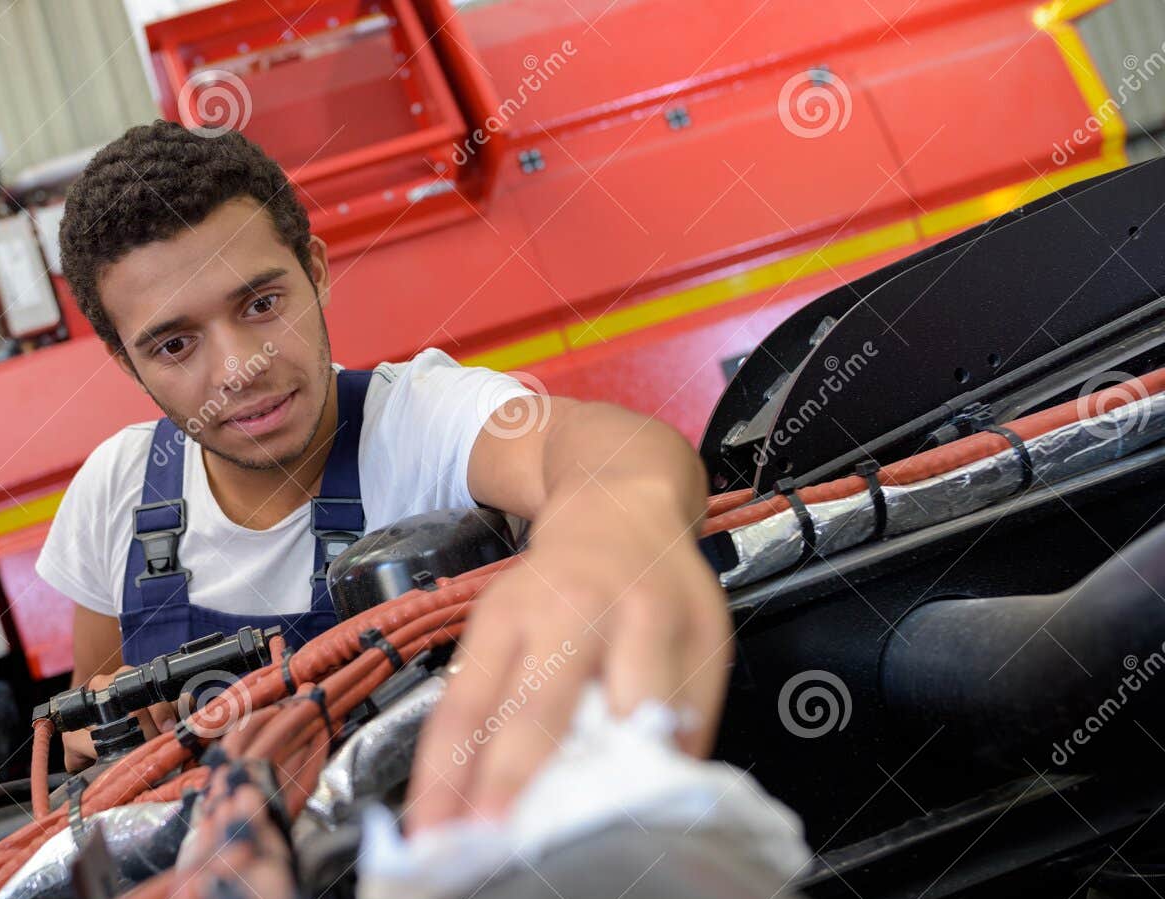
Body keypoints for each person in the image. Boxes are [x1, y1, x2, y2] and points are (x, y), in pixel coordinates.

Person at [36, 121, 731, 830]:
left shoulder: (416, 422)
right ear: (127, 362)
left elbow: (601, 448)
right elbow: (89, 718)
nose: (239, 367)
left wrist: (609, 529)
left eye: (261, 305)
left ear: (316, 270)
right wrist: (102, 732)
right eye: (175, 344)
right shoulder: (116, 491)